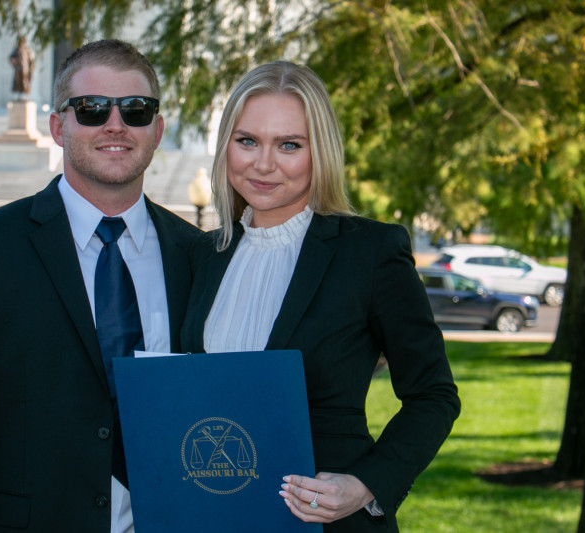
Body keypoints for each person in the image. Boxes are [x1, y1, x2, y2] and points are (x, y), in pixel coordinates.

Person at [0, 39, 201, 532]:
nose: (115, 125)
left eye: (136, 110)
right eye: (92, 109)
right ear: (58, 127)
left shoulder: (197, 255)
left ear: (157, 130)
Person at [180, 61, 461, 532]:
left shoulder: (370, 252)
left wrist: (366, 485)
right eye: (247, 140)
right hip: (214, 515)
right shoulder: (202, 256)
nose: (263, 163)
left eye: (289, 145)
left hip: (330, 522)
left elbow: (434, 396)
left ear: (320, 152)